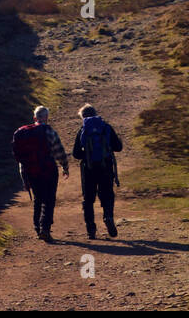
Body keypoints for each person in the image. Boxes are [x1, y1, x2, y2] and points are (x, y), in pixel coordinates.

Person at [11, 106, 68, 242]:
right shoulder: (49, 131)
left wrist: (24, 178)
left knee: (38, 199)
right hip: (48, 170)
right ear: (46, 118)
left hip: (31, 171)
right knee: (49, 200)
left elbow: (21, 159)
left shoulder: (21, 132)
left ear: (35, 118)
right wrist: (65, 166)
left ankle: (37, 228)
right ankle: (45, 229)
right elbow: (59, 150)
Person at [71, 103, 123, 240]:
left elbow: (76, 154)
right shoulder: (106, 127)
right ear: (95, 113)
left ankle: (91, 230)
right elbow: (118, 147)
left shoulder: (83, 130)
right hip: (106, 167)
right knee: (107, 195)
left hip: (88, 170)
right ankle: (108, 217)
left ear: (83, 117)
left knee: (88, 200)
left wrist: (87, 155)